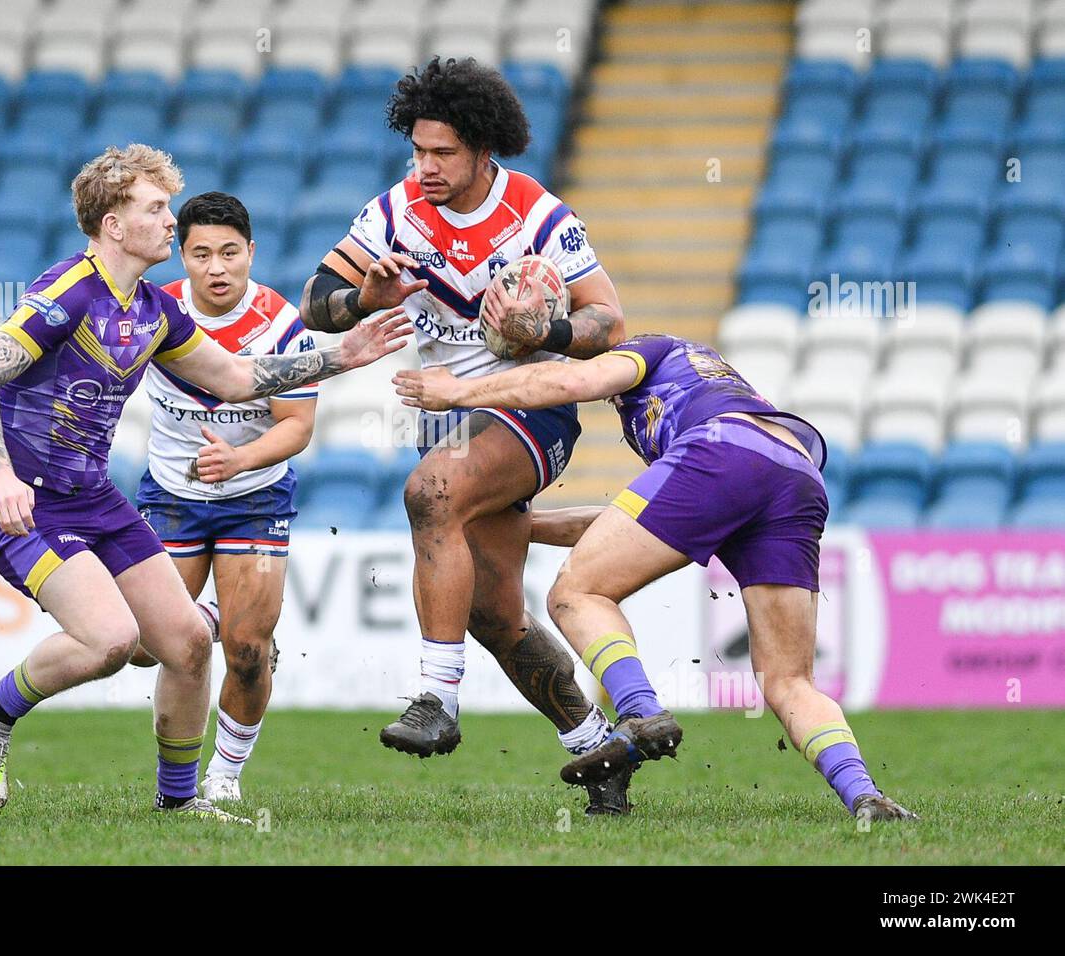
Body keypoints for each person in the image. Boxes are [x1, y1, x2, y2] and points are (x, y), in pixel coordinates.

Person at [0, 144, 409, 823]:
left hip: (97, 499)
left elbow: (233, 378)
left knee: (189, 644)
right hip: (32, 506)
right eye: (157, 209)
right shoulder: (67, 291)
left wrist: (343, 354)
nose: (172, 222)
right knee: (110, 643)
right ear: (113, 224)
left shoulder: (152, 310)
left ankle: (179, 803)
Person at [394, 333, 918, 823]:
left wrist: (459, 390)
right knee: (788, 680)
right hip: (795, 472)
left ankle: (640, 711)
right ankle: (865, 796)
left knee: (576, 591)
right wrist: (510, 529)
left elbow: (569, 383)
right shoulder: (699, 390)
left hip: (728, 450)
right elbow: (621, 523)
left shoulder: (650, 348)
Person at [298, 56, 631, 815]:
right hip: (446, 418)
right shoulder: (392, 211)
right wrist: (362, 298)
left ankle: (435, 700)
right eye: (417, 150)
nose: (426, 166)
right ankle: (600, 749)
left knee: (432, 491)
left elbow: (609, 321)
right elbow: (315, 301)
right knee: (494, 615)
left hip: (530, 409)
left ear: (485, 149)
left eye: (442, 152)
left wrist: (541, 326)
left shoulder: (538, 215)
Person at [130, 191, 317, 803]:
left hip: (256, 497)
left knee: (247, 651)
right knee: (138, 646)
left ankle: (223, 780)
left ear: (251, 252)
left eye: (230, 253)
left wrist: (238, 459)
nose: (217, 268)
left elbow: (297, 425)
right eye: (202, 253)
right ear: (180, 255)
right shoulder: (154, 313)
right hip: (172, 496)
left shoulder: (284, 325)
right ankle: (211, 618)